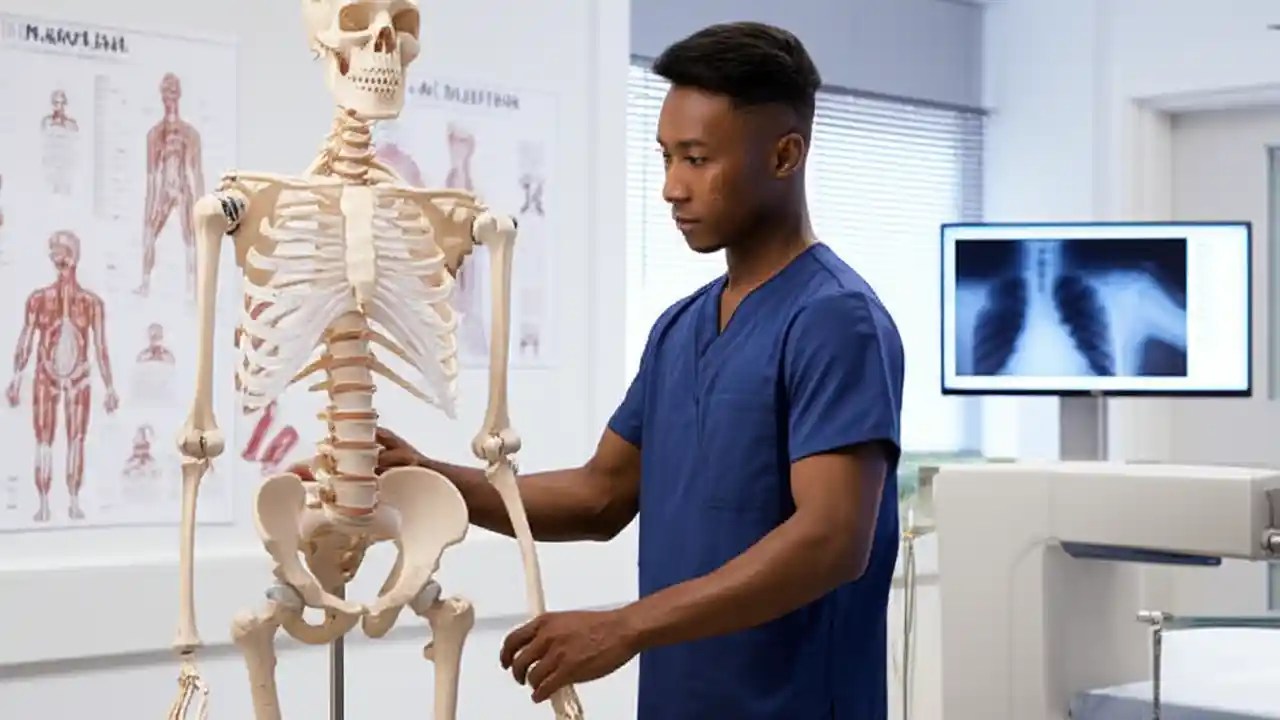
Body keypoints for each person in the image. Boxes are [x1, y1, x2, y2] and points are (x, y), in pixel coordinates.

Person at [374, 21, 905, 719]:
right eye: (666, 158)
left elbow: (832, 541)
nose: (672, 189)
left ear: (785, 155)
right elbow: (601, 495)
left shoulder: (835, 320)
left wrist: (623, 626)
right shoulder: (680, 328)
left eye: (697, 159)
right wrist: (430, 477)